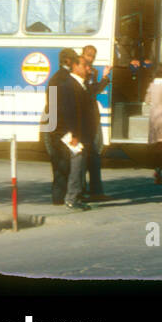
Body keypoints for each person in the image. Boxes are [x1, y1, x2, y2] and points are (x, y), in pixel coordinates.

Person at [46, 49, 92, 210]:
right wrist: (74, 134)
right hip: (63, 130)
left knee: (70, 161)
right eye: (85, 65)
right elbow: (69, 111)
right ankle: (70, 197)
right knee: (71, 161)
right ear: (71, 64)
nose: (89, 69)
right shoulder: (65, 82)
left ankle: (70, 196)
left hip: (63, 129)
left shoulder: (69, 81)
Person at [77, 46, 111, 202]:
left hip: (92, 116)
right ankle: (81, 190)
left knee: (95, 152)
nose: (91, 58)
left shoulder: (94, 72)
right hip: (81, 118)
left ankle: (96, 190)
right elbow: (87, 91)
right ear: (83, 55)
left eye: (93, 56)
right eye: (89, 55)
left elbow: (94, 91)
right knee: (81, 155)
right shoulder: (77, 73)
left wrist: (104, 78)